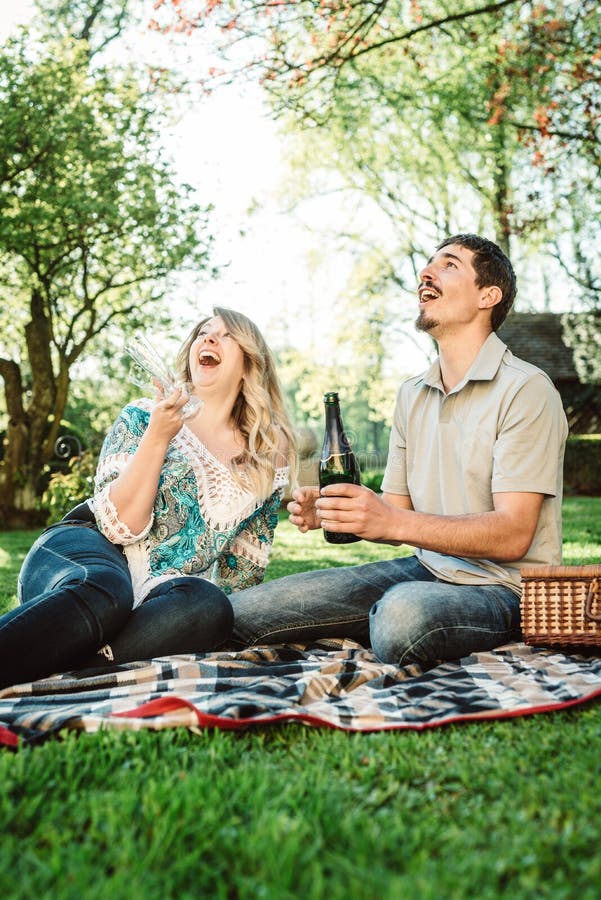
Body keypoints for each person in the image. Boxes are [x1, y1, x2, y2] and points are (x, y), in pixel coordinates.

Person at [231, 234, 569, 667]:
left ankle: (383, 617)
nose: (426, 273)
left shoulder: (526, 389)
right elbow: (396, 509)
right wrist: (341, 514)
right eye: (429, 264)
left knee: (401, 617)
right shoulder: (413, 393)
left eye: (449, 265)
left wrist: (392, 521)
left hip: (505, 589)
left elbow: (513, 533)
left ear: (488, 296)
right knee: (245, 611)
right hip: (426, 569)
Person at [0, 307, 296, 689]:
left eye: (227, 335)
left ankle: (74, 663)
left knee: (211, 606)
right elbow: (119, 527)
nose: (208, 338)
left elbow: (241, 574)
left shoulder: (267, 455)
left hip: (162, 599)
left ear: (249, 364)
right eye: (203, 332)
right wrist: (158, 435)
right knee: (110, 590)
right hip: (83, 553)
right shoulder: (145, 415)